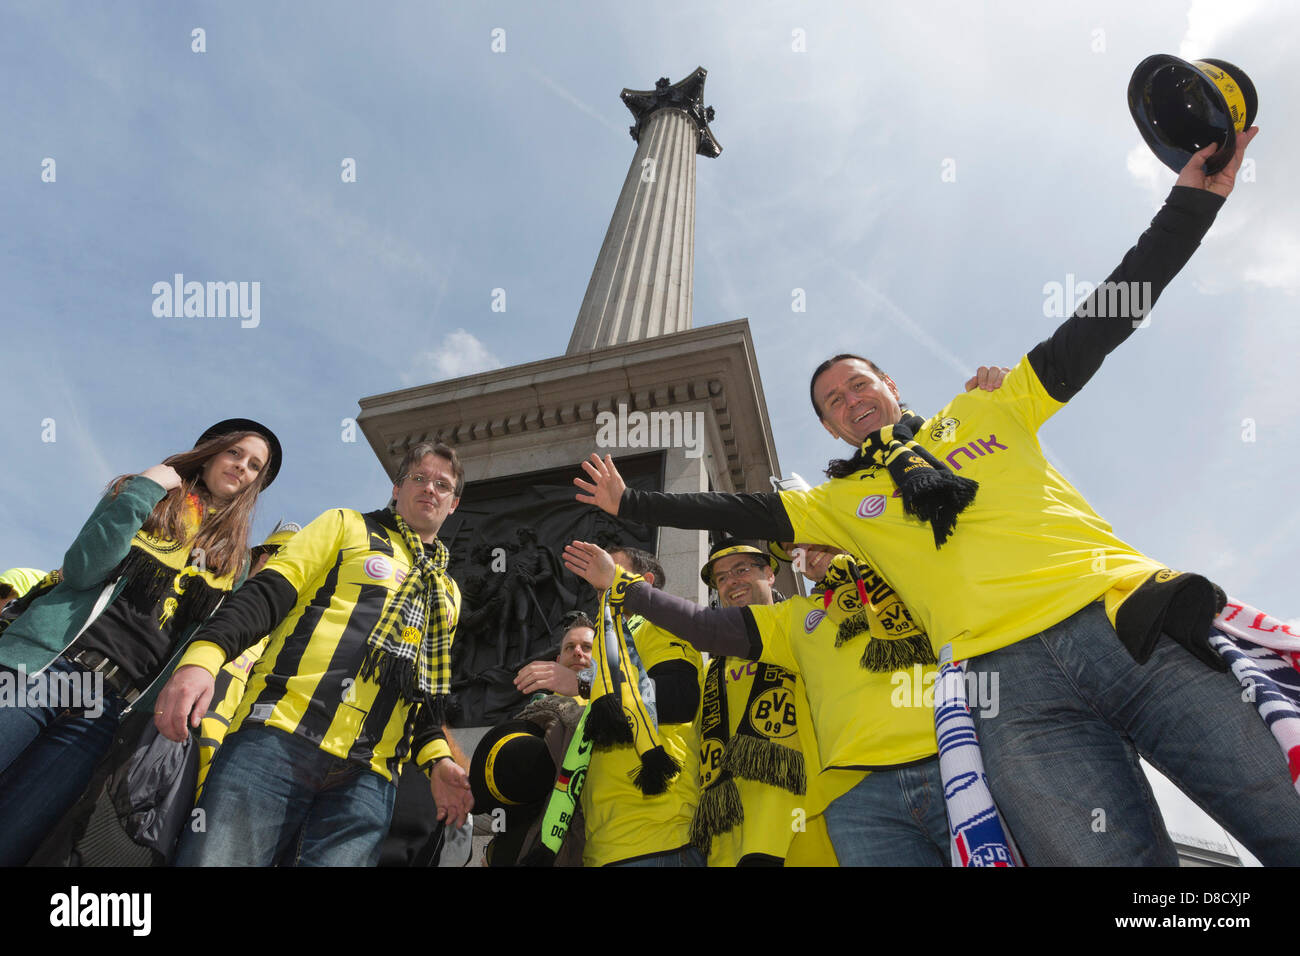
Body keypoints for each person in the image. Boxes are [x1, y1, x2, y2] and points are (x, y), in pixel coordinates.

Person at [576, 132, 1300, 865]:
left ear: (891, 384)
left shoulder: (989, 408)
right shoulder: (838, 499)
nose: (850, 398)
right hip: (1005, 692)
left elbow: (1099, 322)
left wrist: (1189, 209)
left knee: (1280, 808)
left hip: (1117, 622)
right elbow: (734, 515)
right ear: (828, 426)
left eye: (860, 382)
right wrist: (631, 503)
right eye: (832, 401)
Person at [157, 441, 473, 866]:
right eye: (419, 477)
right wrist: (203, 658)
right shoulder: (344, 524)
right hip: (279, 738)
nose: (430, 489)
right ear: (397, 488)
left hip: (369, 779)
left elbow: (421, 694)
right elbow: (267, 595)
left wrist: (437, 761)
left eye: (442, 485)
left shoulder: (447, 594)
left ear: (453, 504)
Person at [565, 538, 956, 866]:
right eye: (721, 578)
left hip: (811, 824)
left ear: (771, 573)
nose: (731, 582)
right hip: (730, 838)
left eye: (742, 570)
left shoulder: (800, 627)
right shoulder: (712, 664)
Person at [0, 418, 280, 865]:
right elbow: (83, 569)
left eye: (254, 467)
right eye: (235, 454)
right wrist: (144, 489)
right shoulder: (148, 495)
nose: (242, 468)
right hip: (48, 667)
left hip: (109, 709)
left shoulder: (235, 560)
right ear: (211, 451)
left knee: (16, 833)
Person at [580, 546, 704, 867]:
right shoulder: (601, 646)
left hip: (657, 837)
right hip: (604, 844)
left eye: (609, 573)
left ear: (643, 581)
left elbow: (679, 698)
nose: (600, 586)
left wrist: (584, 686)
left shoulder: (661, 625)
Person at [512, 610, 594, 700]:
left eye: (587, 647)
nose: (577, 651)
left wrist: (581, 686)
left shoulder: (609, 696)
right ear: (558, 661)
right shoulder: (538, 704)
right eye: (570, 647)